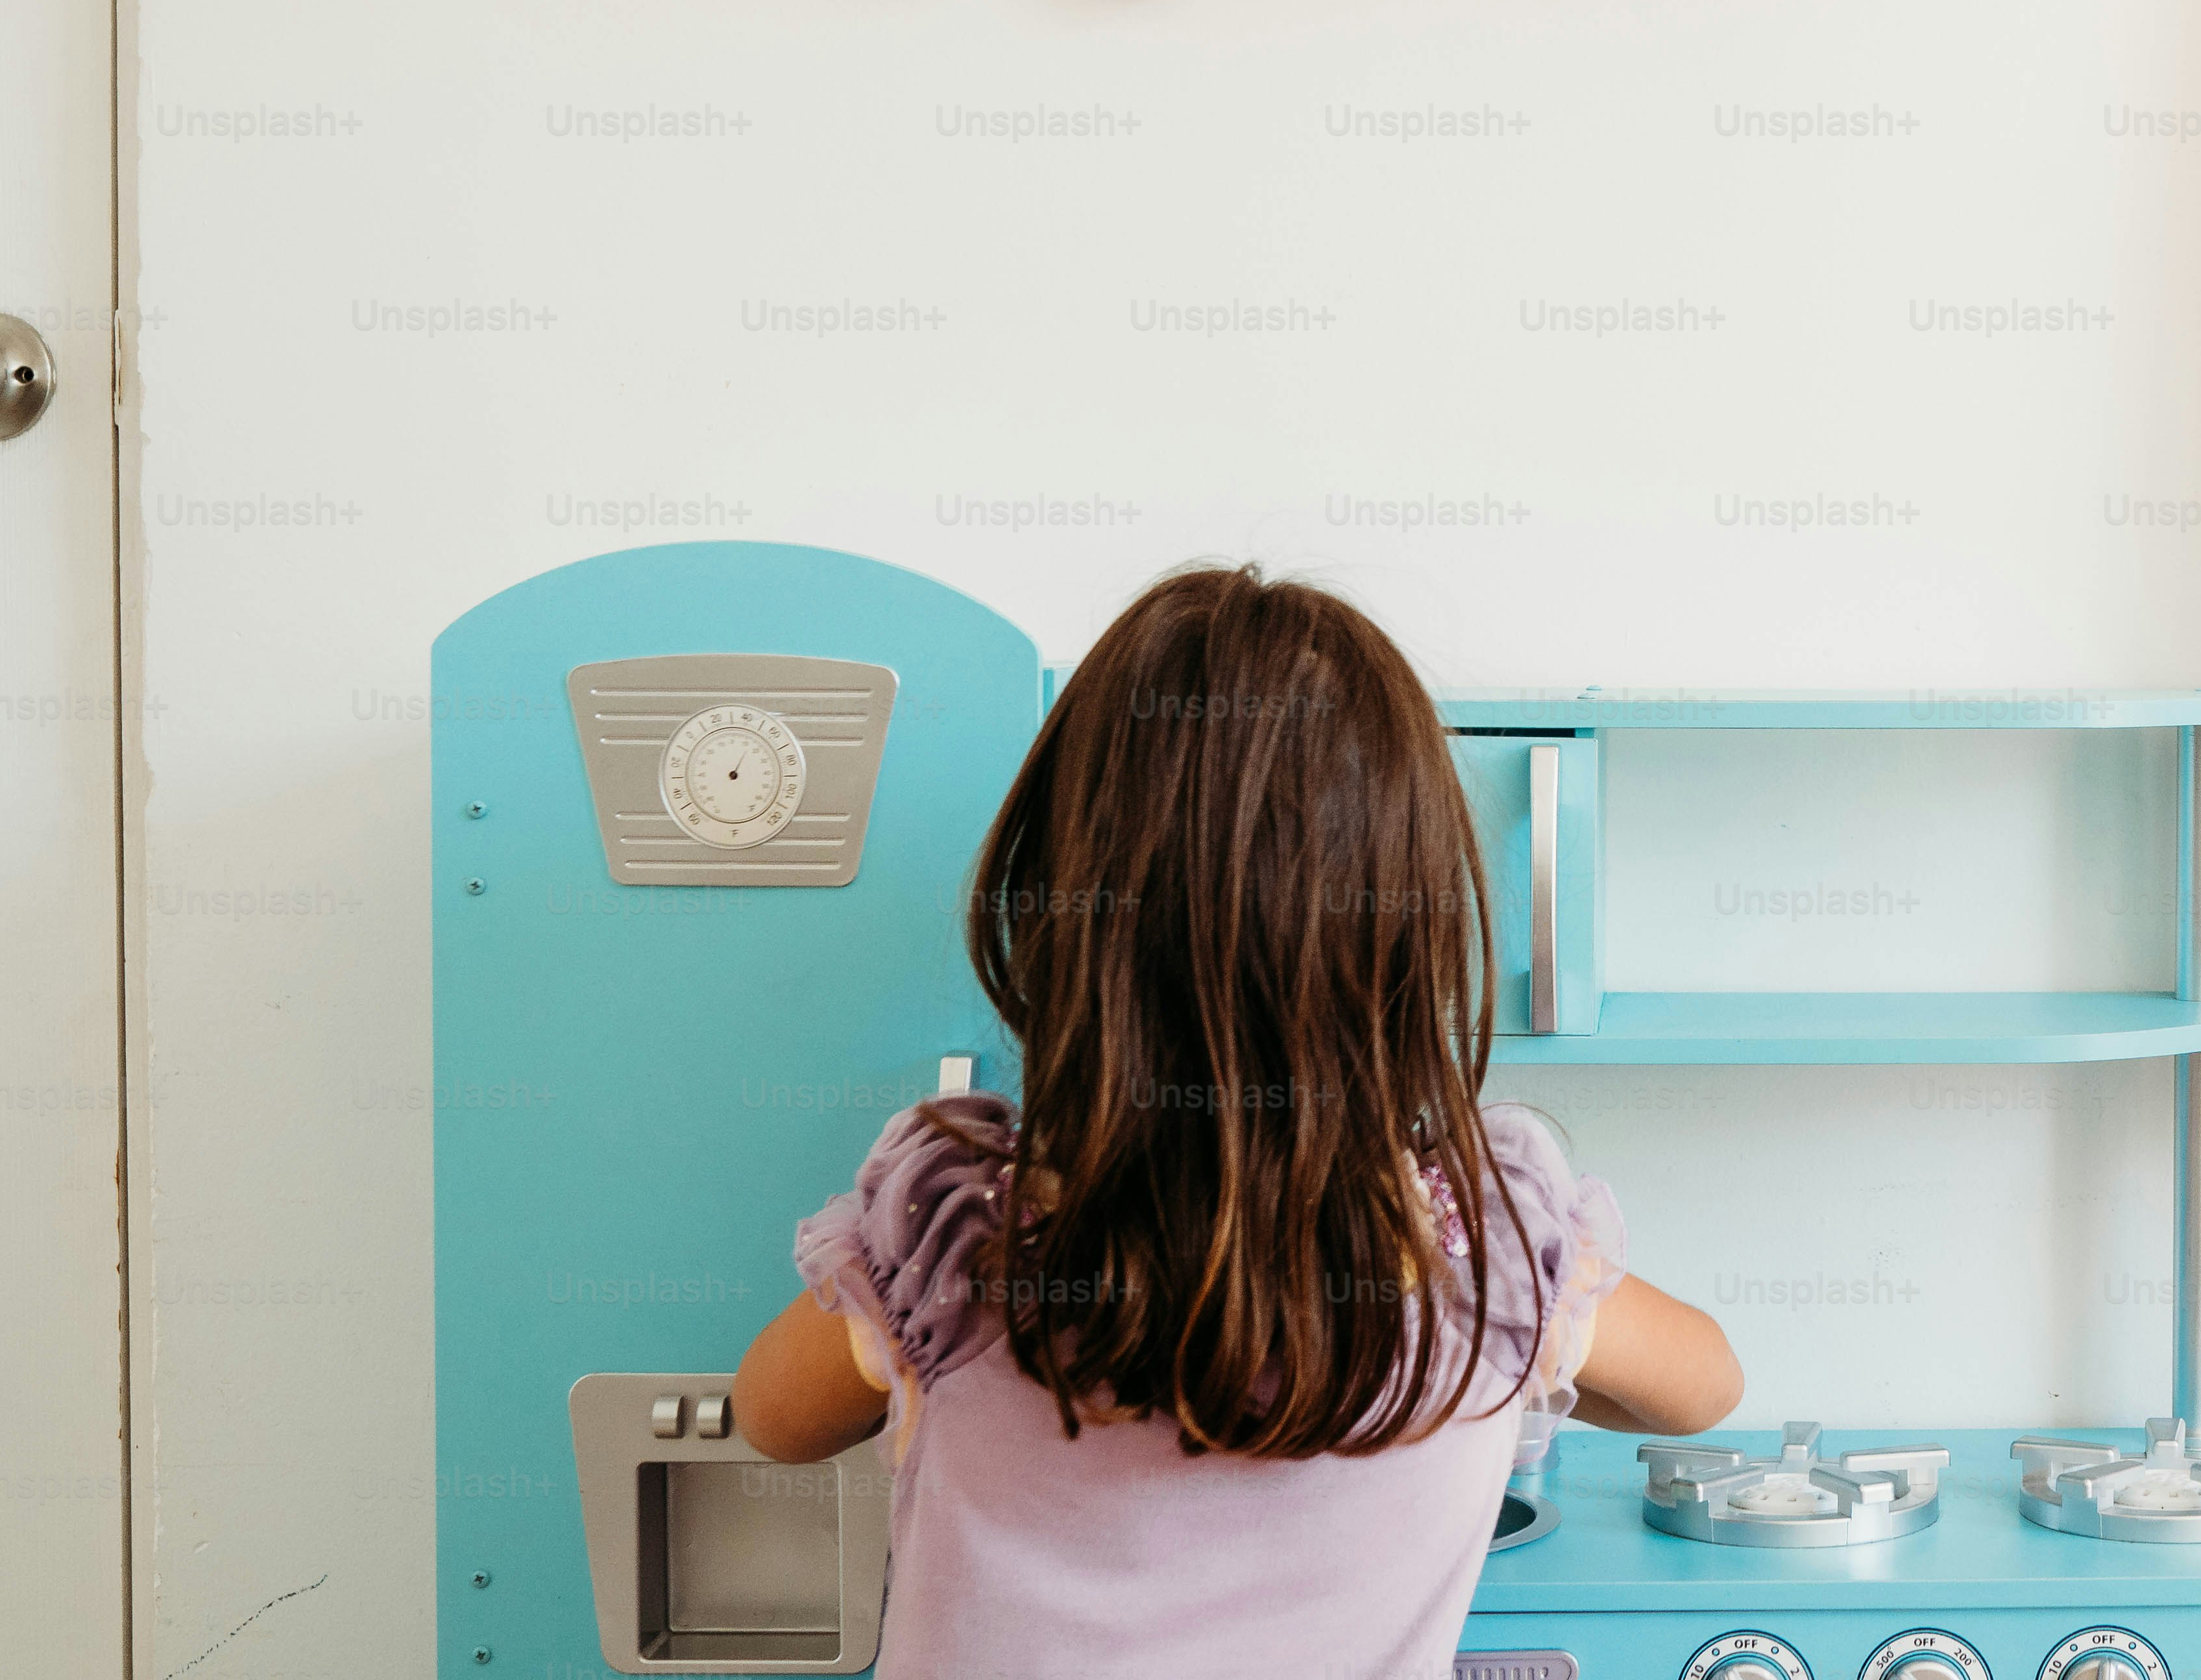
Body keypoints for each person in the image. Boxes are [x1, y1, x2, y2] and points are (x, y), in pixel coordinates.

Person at [731, 564, 1741, 1677]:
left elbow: (770, 1418)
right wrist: (1536, 1349)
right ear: (1401, 931)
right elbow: (1704, 1390)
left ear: (1069, 910)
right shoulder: (1488, 1257)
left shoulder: (957, 1241)